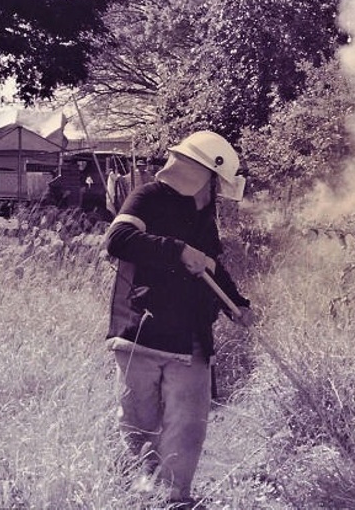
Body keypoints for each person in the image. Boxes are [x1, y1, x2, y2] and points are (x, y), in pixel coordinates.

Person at [104, 130, 254, 505]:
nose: (215, 193)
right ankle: (139, 497)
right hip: (140, 334)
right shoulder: (147, 198)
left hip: (190, 343)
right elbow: (117, 240)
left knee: (186, 432)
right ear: (200, 173)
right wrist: (177, 250)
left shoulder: (204, 215)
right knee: (139, 429)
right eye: (215, 184)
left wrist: (237, 303)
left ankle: (175, 501)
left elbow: (211, 267)